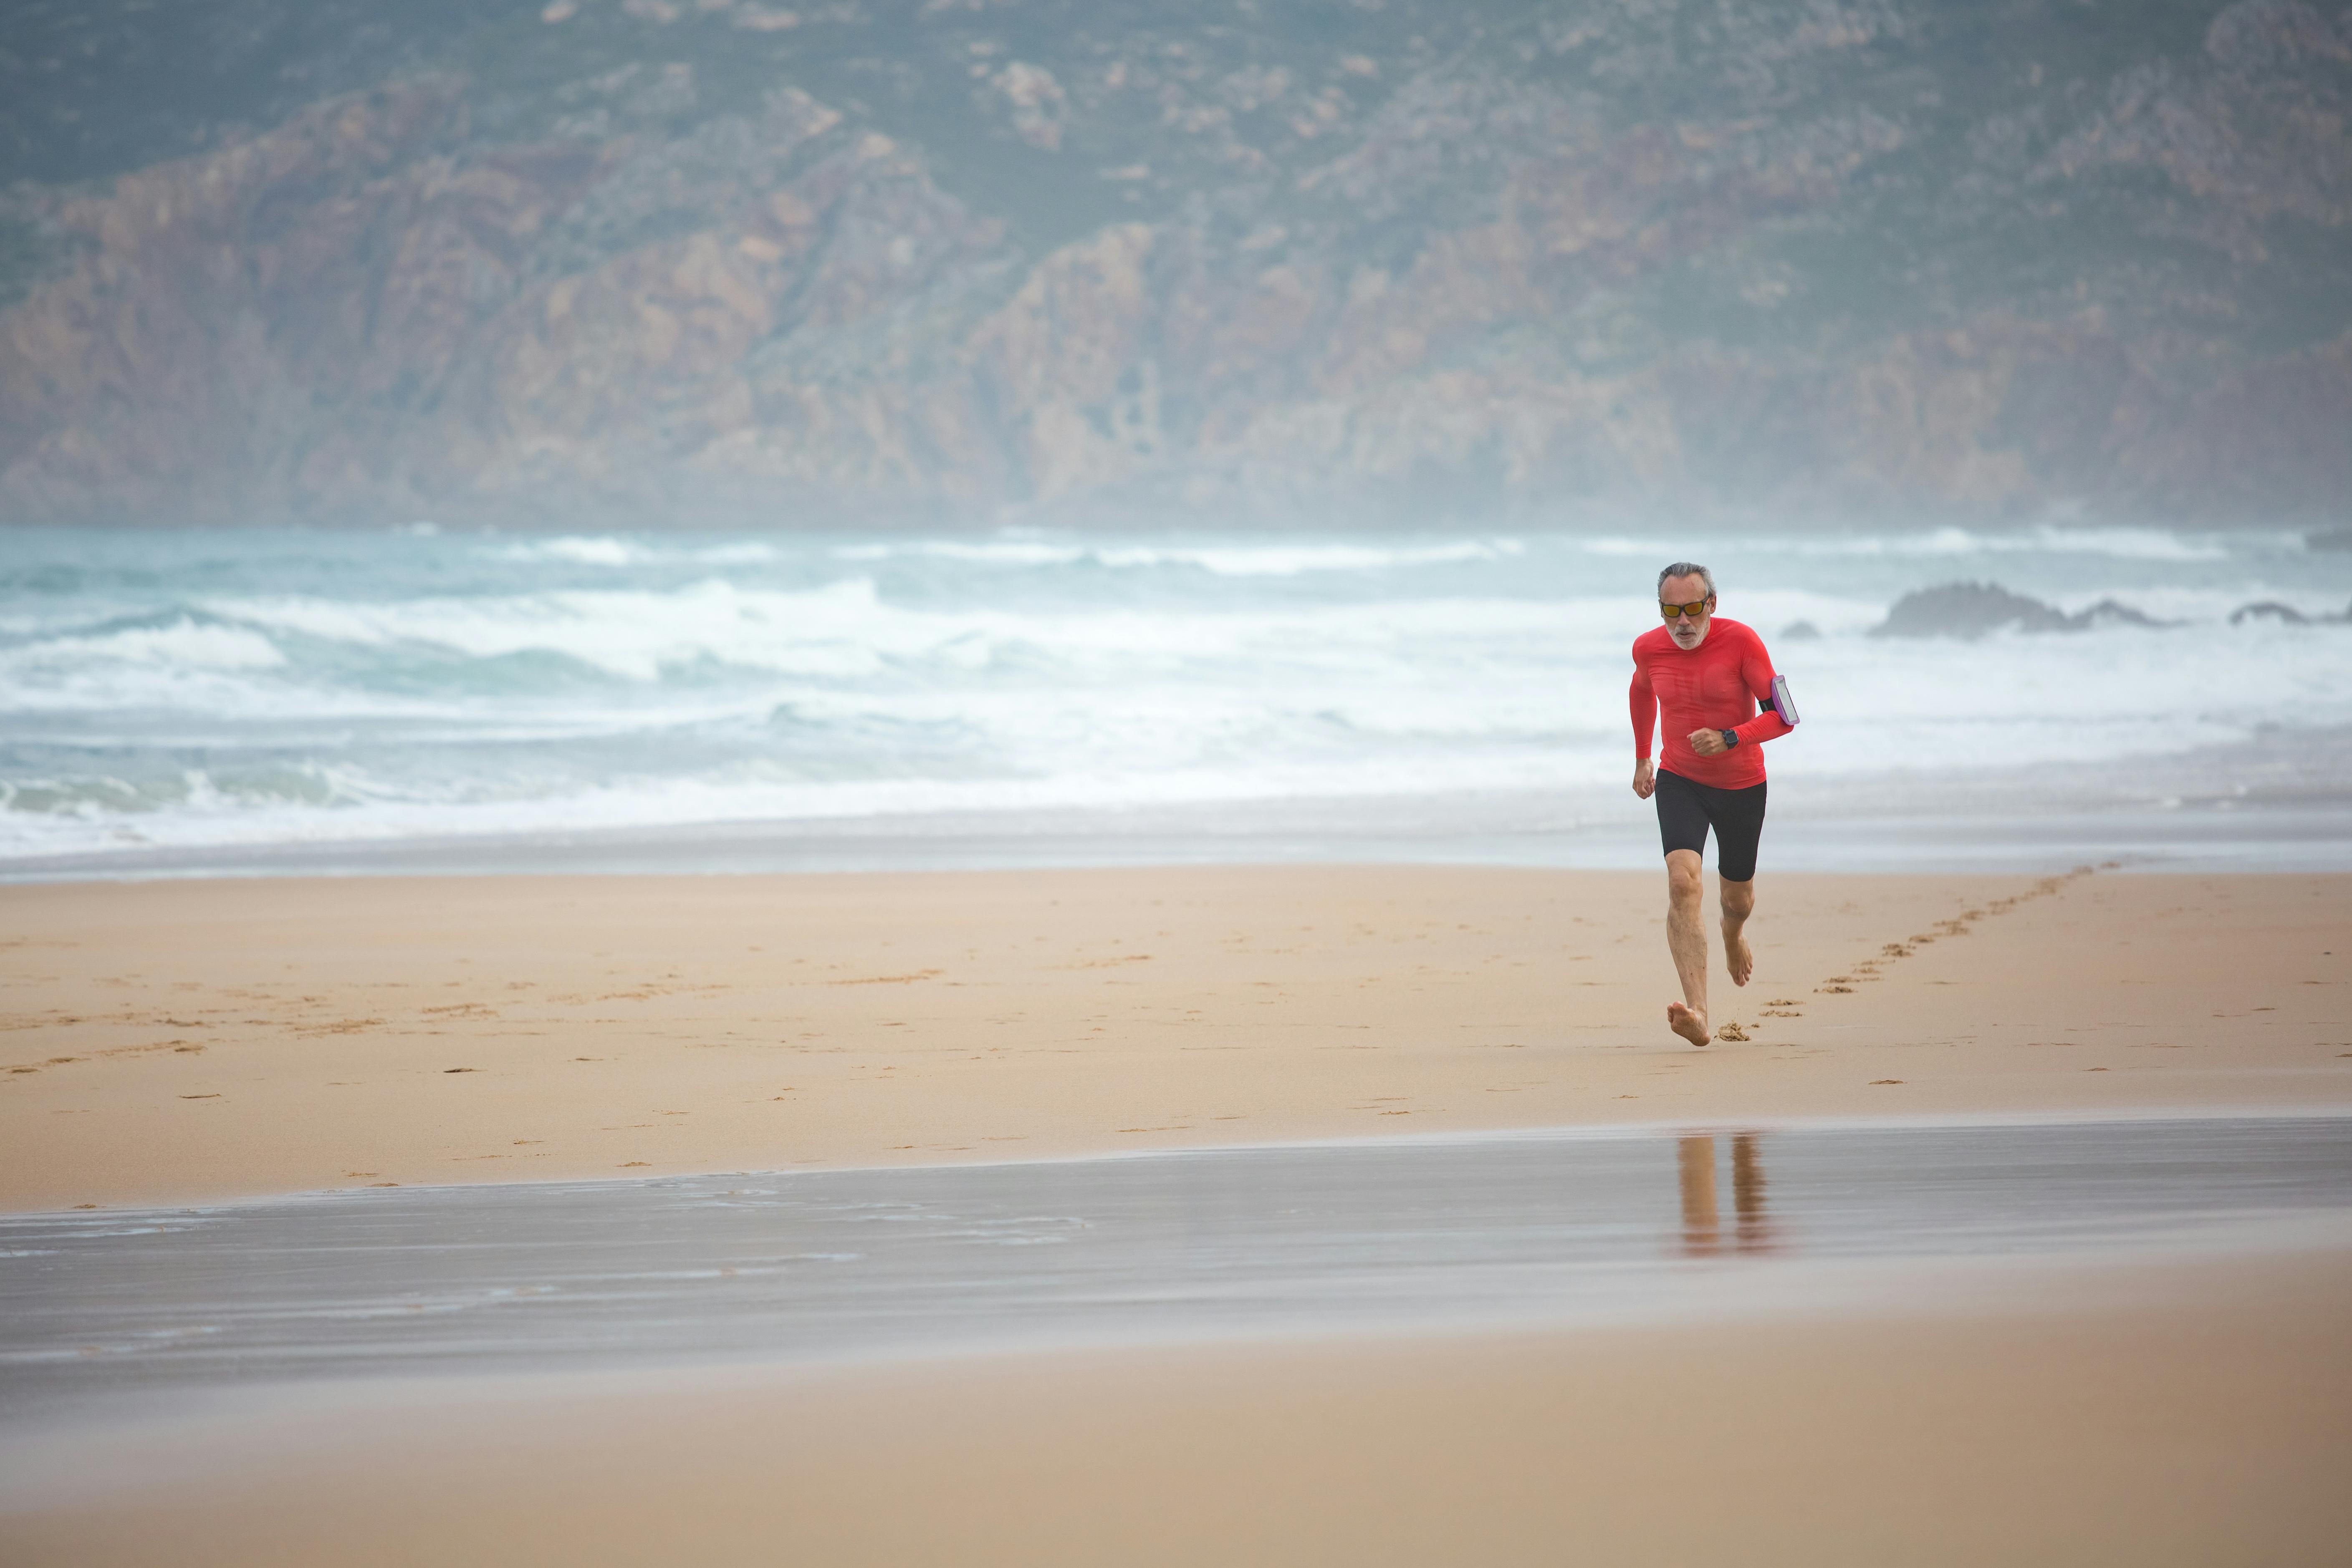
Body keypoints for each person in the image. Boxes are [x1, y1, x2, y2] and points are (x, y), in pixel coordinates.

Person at [1629, 562, 1793, 1046]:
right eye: (1672, 610)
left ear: (1712, 605)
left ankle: (1732, 934)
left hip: (1741, 783)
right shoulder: (1647, 647)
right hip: (1680, 778)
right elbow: (1641, 692)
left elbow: (1785, 716)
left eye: (1694, 608)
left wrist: (1730, 738)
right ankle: (1698, 1012)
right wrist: (1643, 758)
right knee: (1683, 883)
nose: (1683, 621)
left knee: (1735, 899)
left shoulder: (1742, 642)